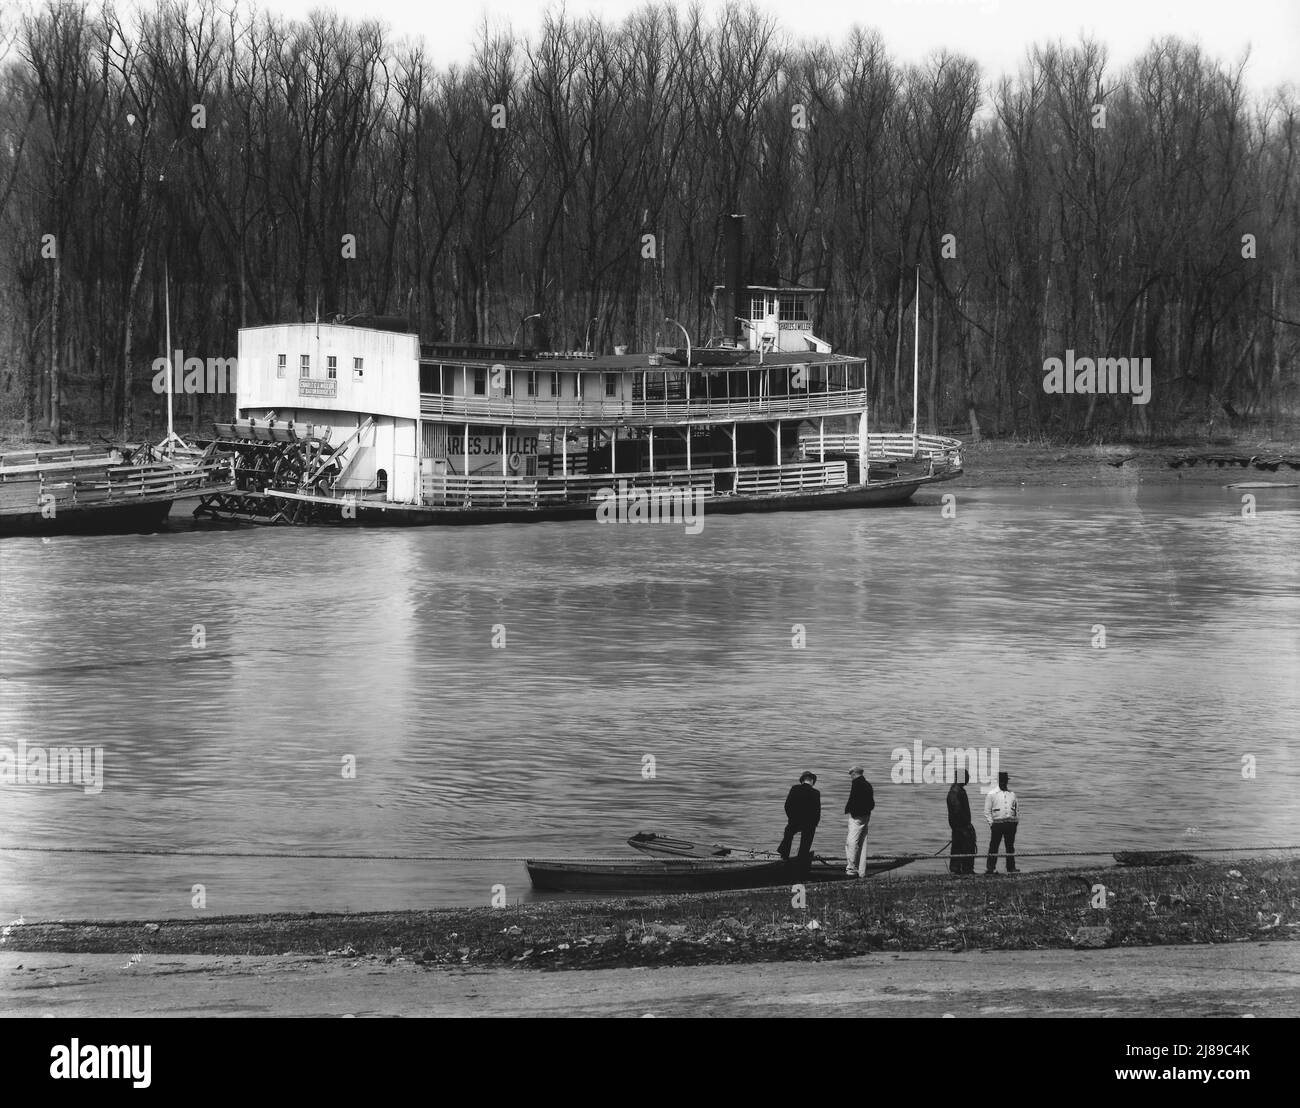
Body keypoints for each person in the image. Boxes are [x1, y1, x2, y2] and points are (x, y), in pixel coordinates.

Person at [778, 771, 821, 867]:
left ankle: (784, 854)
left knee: (788, 833)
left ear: (802, 780)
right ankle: (802, 857)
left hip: (795, 820)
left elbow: (787, 806)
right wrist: (815, 823)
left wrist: (791, 818)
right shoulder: (816, 793)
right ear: (812, 781)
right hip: (809, 823)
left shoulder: (794, 788)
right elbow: (817, 811)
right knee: (807, 839)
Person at [984, 771, 1019, 874]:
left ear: (1007, 781)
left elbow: (1017, 809)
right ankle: (990, 868)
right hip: (997, 824)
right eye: (1002, 781)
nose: (1004, 783)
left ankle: (1011, 868)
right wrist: (992, 824)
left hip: (1010, 823)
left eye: (1005, 781)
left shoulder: (1012, 794)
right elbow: (987, 812)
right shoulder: (991, 794)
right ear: (998, 781)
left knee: (1010, 847)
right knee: (994, 846)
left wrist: (1015, 821)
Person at [844, 766, 875, 876]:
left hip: (857, 817)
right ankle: (861, 871)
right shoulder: (868, 784)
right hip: (866, 816)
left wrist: (851, 811)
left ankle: (851, 869)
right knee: (862, 842)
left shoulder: (856, 783)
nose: (851, 778)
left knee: (851, 843)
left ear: (854, 774)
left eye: (851, 775)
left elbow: (853, 799)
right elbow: (872, 803)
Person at [947, 769, 976, 875]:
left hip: (961, 827)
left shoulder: (959, 790)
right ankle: (960, 870)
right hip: (960, 828)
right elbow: (957, 811)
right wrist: (964, 827)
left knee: (963, 848)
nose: (968, 778)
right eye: (967, 776)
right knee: (960, 848)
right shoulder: (955, 791)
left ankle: (964, 869)